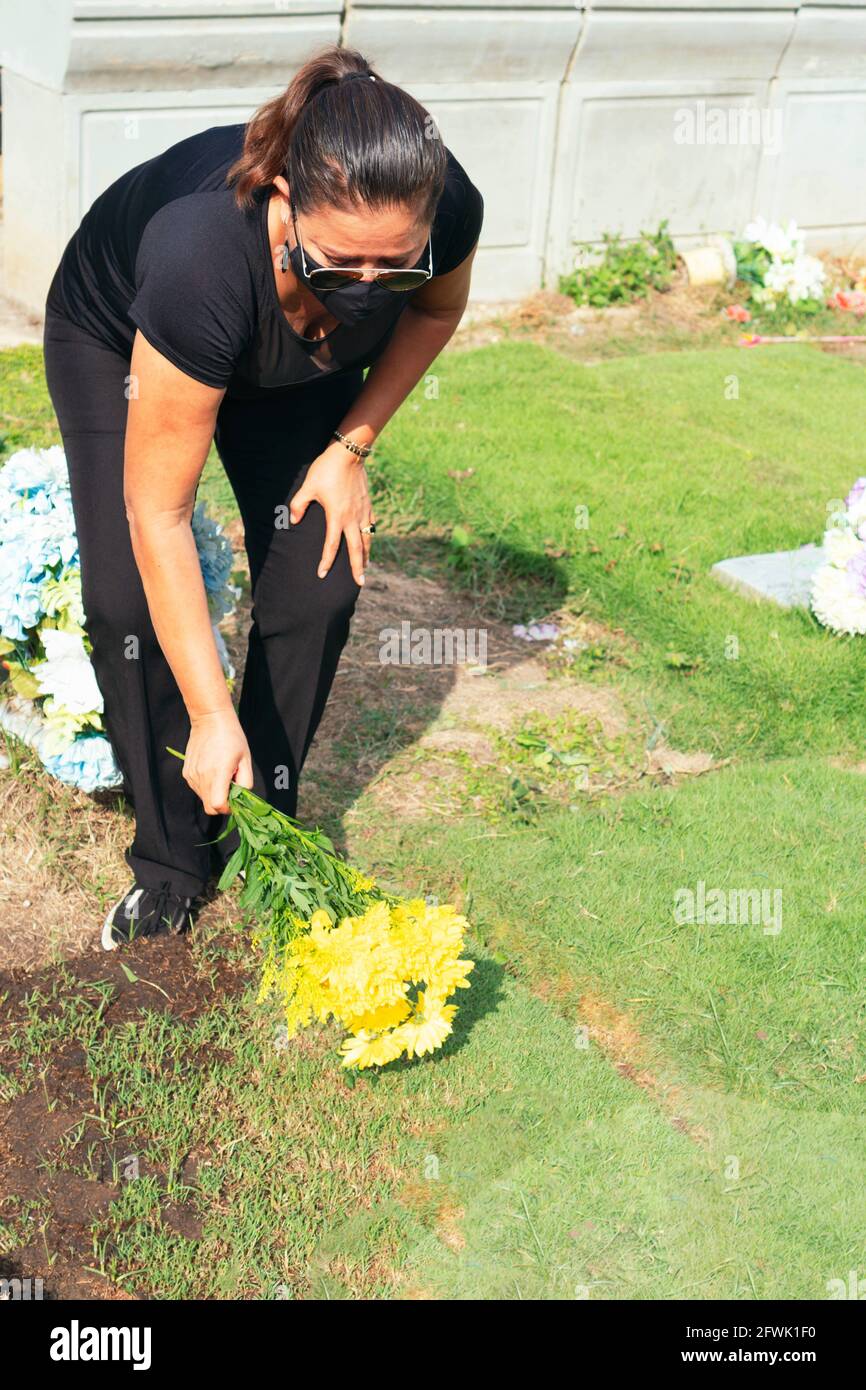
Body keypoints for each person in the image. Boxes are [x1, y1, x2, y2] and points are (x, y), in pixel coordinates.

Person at [42, 44, 483, 949]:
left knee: (319, 578)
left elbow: (433, 311)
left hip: (294, 359)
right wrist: (210, 714)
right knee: (129, 598)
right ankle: (172, 859)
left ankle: (260, 818)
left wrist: (347, 448)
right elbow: (159, 513)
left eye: (392, 267)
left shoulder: (446, 211)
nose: (371, 291)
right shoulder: (202, 250)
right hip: (120, 331)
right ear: (284, 201)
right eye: (342, 263)